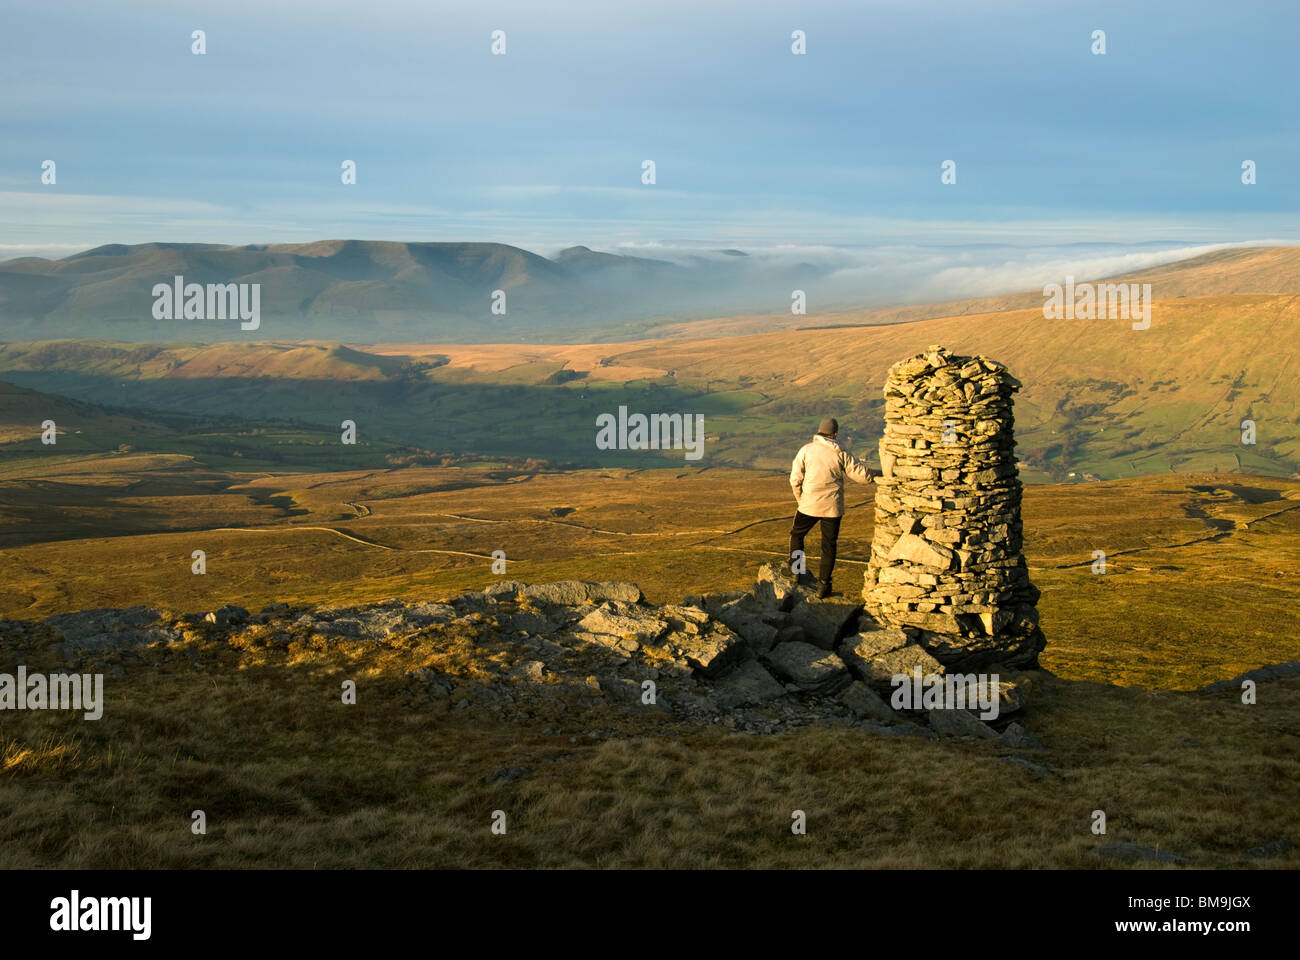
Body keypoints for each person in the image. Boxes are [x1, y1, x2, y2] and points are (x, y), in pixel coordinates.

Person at [788, 416, 879, 598]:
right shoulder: (840, 452)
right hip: (832, 508)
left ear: (819, 431)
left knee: (797, 535)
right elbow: (859, 475)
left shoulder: (806, 450)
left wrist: (801, 500)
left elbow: (795, 480)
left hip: (808, 504)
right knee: (828, 545)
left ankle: (796, 572)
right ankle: (824, 585)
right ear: (835, 433)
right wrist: (876, 474)